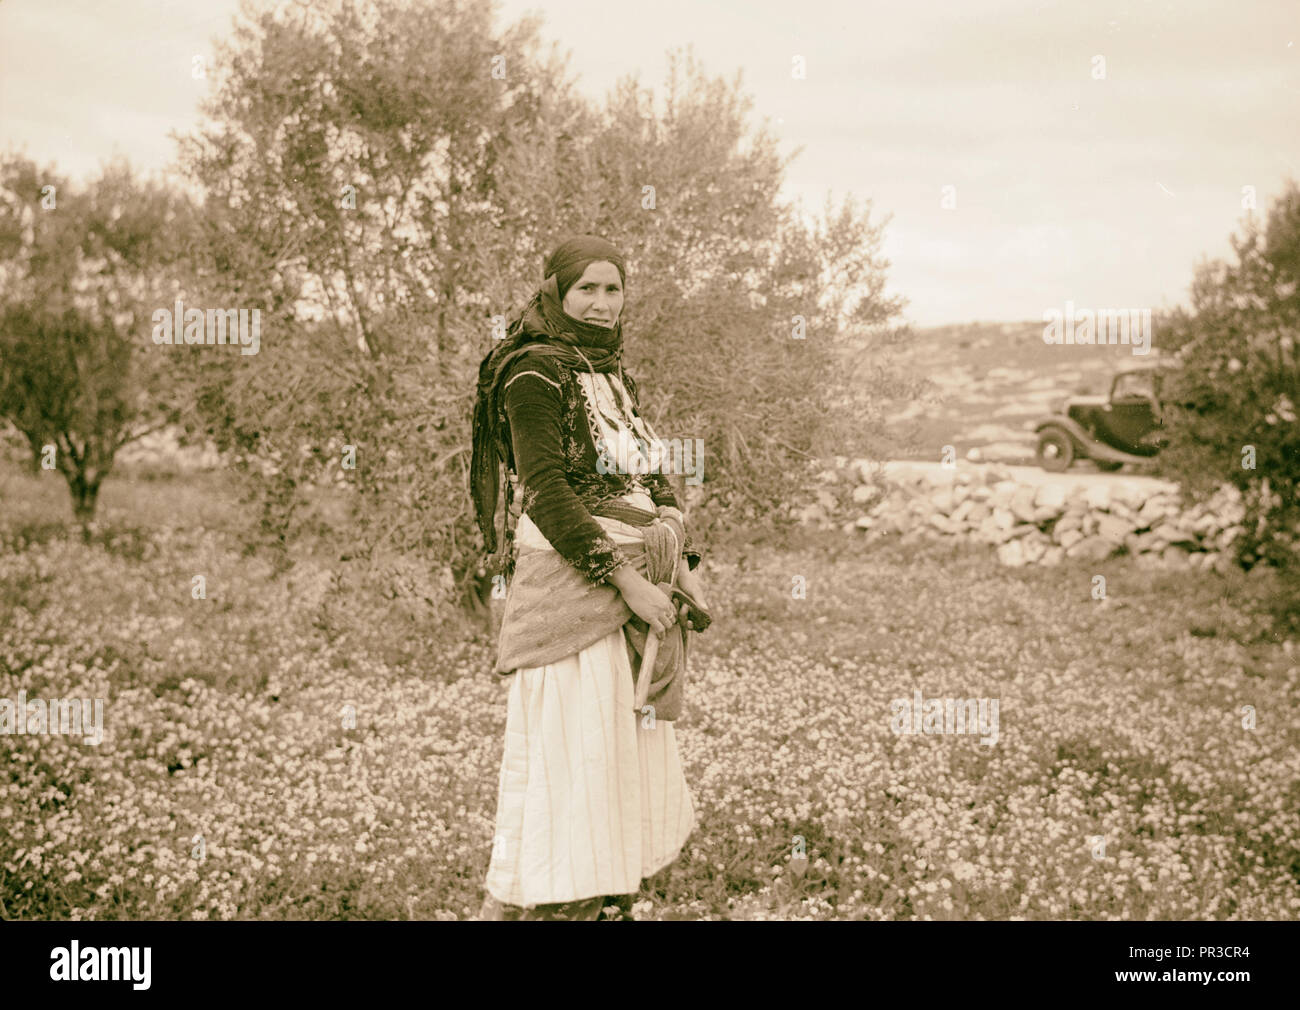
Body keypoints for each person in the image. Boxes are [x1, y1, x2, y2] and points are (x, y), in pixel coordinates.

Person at [469, 235, 710, 920]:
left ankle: (607, 897)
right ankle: (538, 898)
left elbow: (649, 472)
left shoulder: (611, 374)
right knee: (570, 751)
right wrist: (624, 580)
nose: (603, 304)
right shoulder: (531, 372)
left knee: (619, 749)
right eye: (587, 290)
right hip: (573, 583)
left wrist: (679, 555)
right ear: (556, 293)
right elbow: (545, 489)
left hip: (638, 577)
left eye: (613, 289)